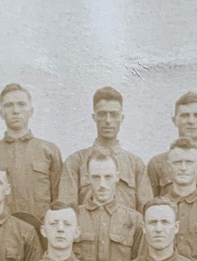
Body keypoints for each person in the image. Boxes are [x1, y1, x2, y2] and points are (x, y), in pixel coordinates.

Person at [0, 83, 63, 226]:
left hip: (41, 229)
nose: (16, 110)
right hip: (2, 230)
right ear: (1, 113)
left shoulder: (49, 150)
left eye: (21, 104)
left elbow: (59, 200)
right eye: (9, 105)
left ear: (31, 111)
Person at [59, 86, 152, 214]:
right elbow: (65, 211)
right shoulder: (75, 162)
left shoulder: (135, 164)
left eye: (114, 115)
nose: (108, 120)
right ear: (94, 117)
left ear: (121, 118)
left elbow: (147, 212)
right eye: (102, 114)